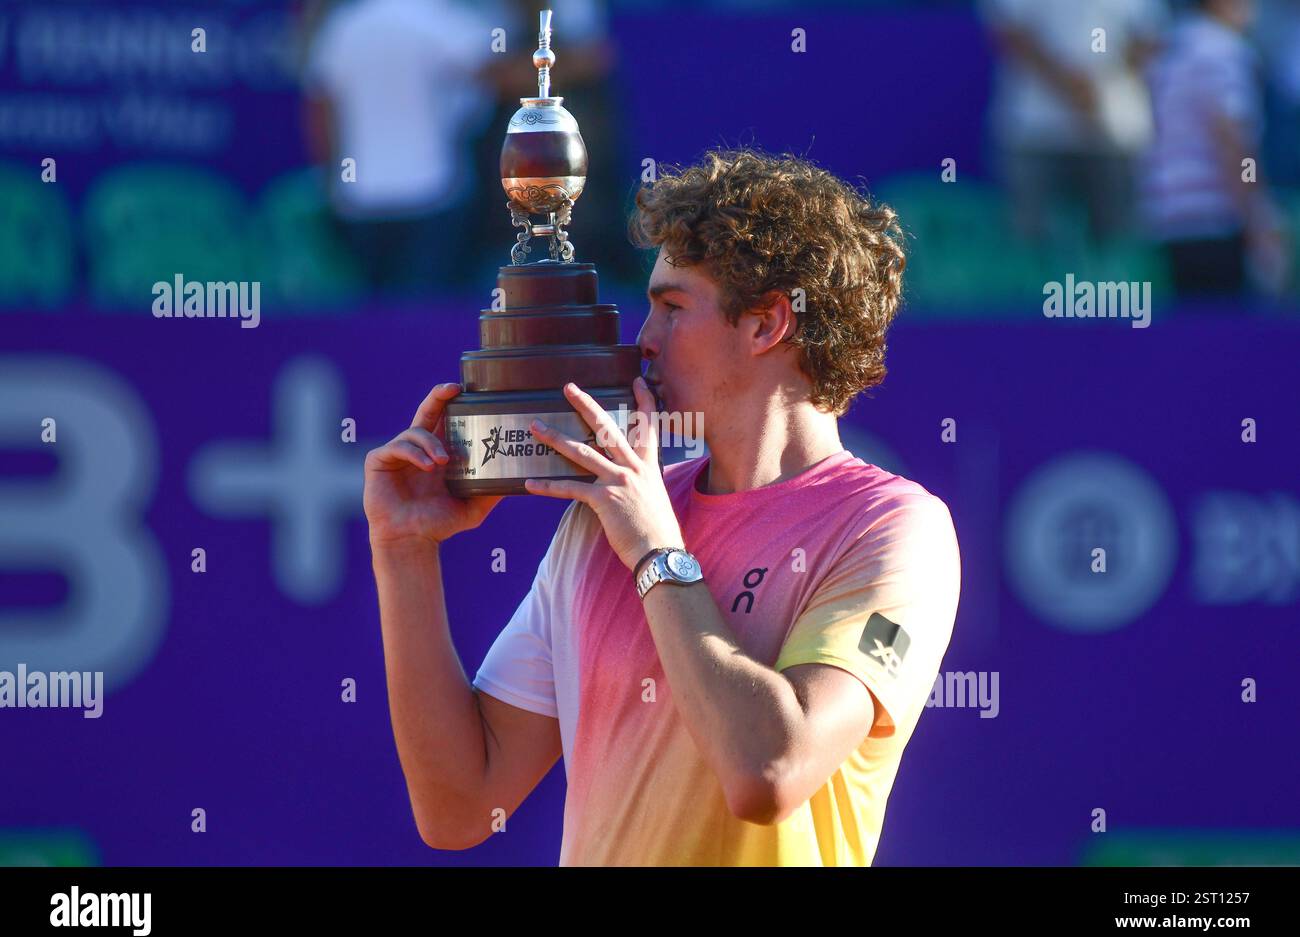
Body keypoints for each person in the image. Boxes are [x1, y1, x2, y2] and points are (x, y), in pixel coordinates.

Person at [364, 149, 961, 866]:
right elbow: (459, 807)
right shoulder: (607, 513)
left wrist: (654, 549)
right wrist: (403, 553)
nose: (643, 342)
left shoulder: (896, 532)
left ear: (768, 324)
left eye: (673, 308)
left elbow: (769, 773)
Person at [302, 0, 498, 297]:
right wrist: (578, 62)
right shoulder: (436, 18)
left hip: (361, 195)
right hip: (431, 191)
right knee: (425, 317)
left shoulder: (344, 25)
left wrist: (333, 179)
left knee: (376, 314)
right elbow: (499, 74)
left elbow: (323, 107)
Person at [982, 0, 1167, 244]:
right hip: (1035, 132)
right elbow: (1009, 26)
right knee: (1030, 245)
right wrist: (1068, 86)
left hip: (1116, 133)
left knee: (1117, 246)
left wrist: (1103, 86)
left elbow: (1150, 35)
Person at [1141, 0, 1290, 297]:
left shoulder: (1171, 47)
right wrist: (1256, 215)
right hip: (1216, 221)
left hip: (1167, 216)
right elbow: (1234, 143)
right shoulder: (1224, 51)